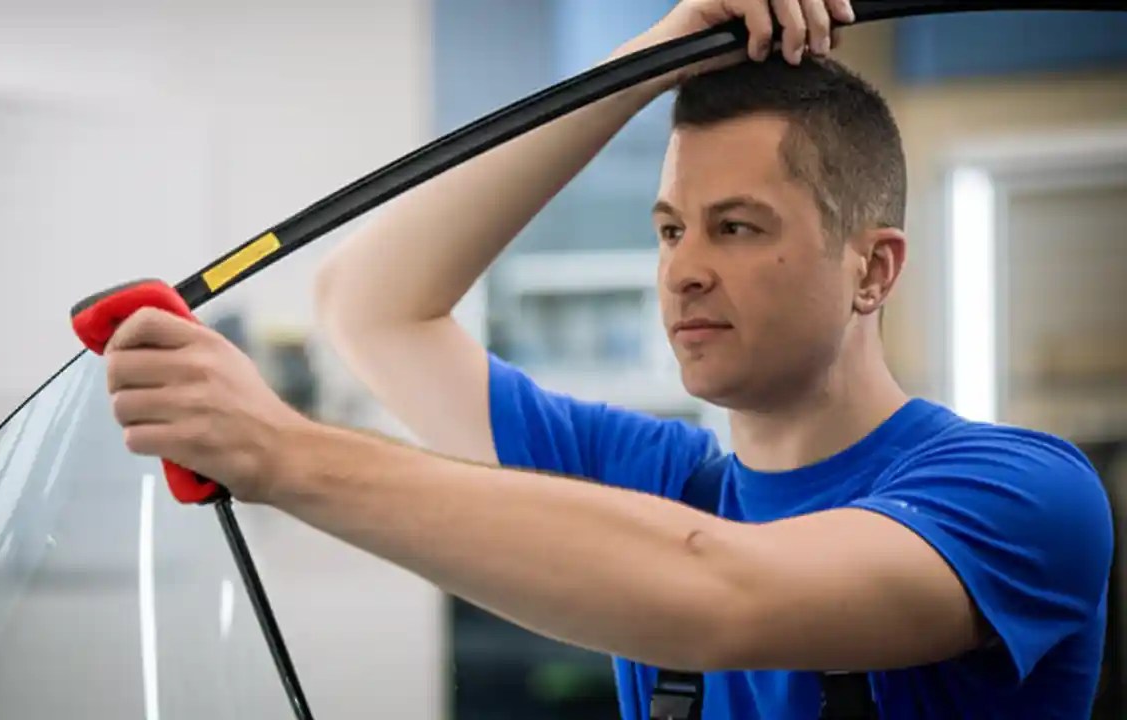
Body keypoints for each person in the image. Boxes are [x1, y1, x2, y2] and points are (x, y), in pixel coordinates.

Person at [97, 0, 1114, 716]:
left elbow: (724, 597)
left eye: (737, 228)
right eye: (670, 229)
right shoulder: (660, 484)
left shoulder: (1022, 495)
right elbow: (368, 307)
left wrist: (285, 455)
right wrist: (653, 59)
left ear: (870, 269)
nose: (682, 273)